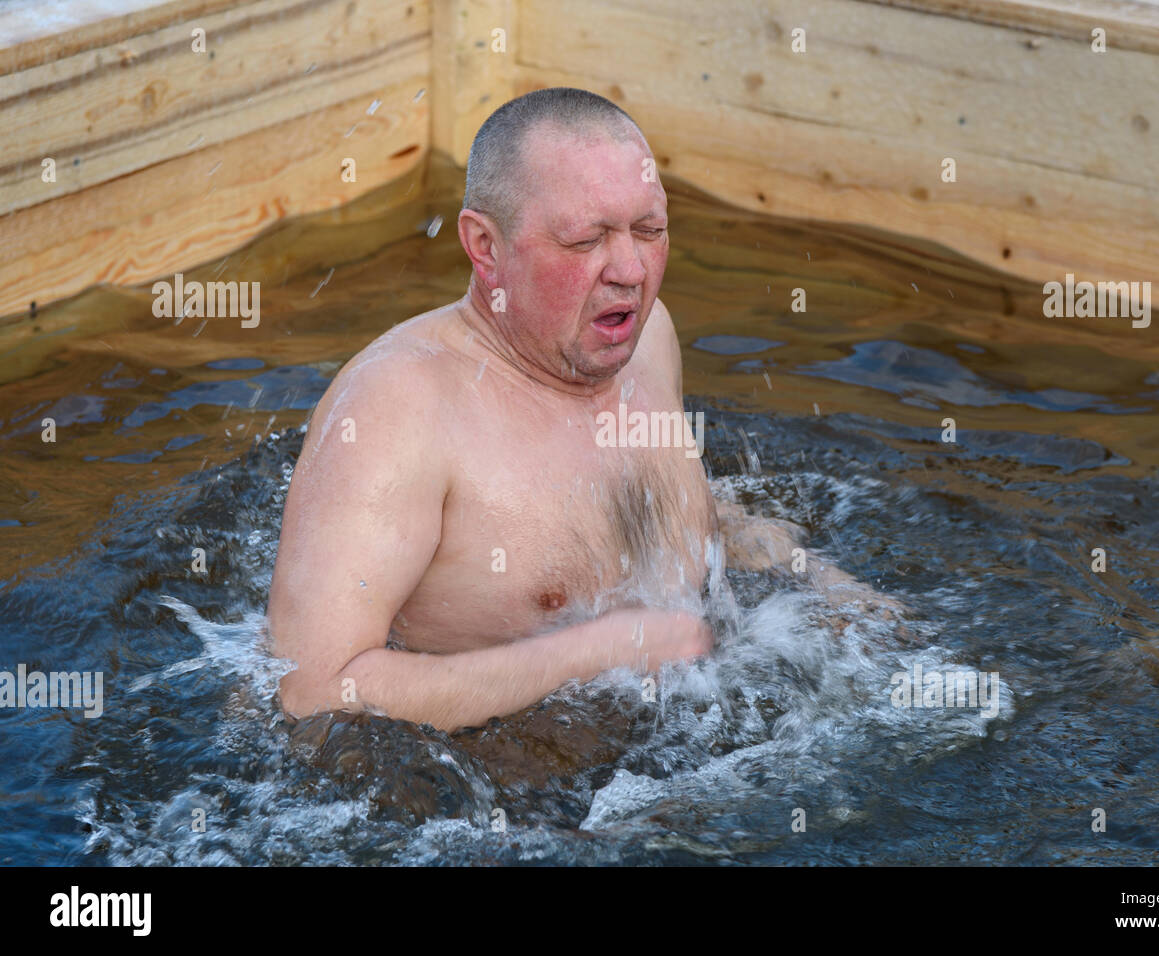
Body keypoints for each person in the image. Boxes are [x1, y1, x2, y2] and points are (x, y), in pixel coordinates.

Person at [266, 87, 900, 732]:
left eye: (650, 230)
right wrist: (589, 655)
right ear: (485, 246)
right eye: (585, 240)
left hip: (683, 765)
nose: (630, 269)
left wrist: (813, 579)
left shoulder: (648, 341)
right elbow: (311, 688)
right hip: (504, 806)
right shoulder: (395, 410)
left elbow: (666, 516)